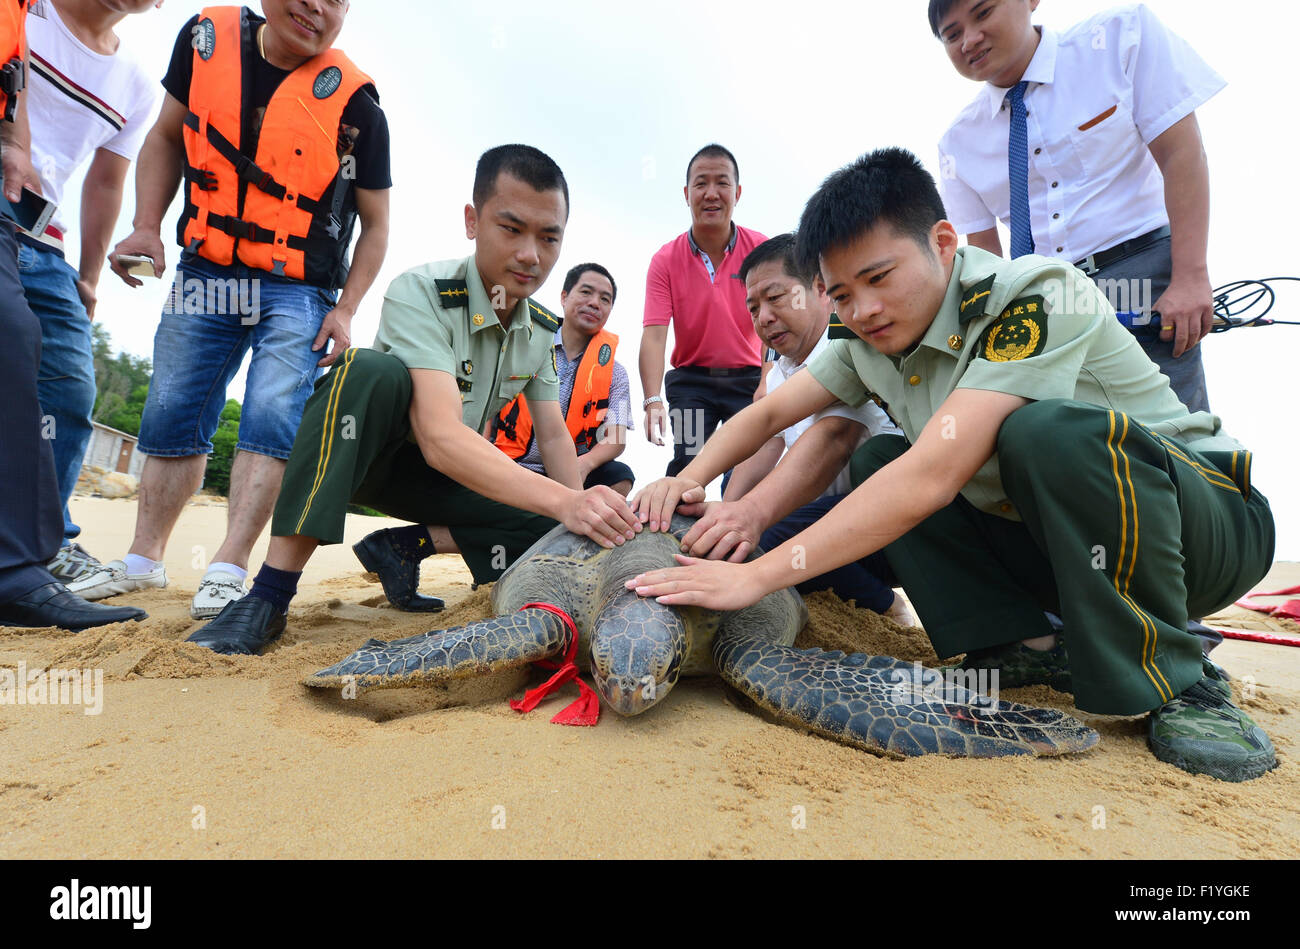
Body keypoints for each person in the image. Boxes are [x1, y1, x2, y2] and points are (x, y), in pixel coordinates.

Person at [627, 148, 1276, 783]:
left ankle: (1183, 676)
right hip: (1063, 551)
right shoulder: (867, 340)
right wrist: (684, 479)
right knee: (886, 452)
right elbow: (766, 415)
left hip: (1208, 525)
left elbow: (933, 476)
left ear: (942, 242)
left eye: (879, 278)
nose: (863, 309)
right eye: (844, 294)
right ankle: (1022, 649)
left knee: (1039, 432)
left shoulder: (1036, 293)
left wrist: (757, 576)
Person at [183, 145, 641, 653]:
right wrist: (567, 503)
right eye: (512, 229)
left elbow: (553, 434)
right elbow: (440, 438)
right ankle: (268, 596)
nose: (531, 254)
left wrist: (580, 510)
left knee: (554, 529)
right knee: (368, 370)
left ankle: (402, 554)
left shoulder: (538, 332)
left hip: (443, 476)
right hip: (370, 458)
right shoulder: (421, 292)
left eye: (549, 237)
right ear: (473, 221)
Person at [70, 0, 390, 621]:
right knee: (171, 405)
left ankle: (227, 566)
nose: (317, 7)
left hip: (299, 285)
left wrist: (347, 310)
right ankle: (142, 559)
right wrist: (145, 227)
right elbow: (166, 134)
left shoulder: (358, 107)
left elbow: (376, 225)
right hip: (207, 266)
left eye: (338, 0)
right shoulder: (203, 40)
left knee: (271, 412)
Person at [931, 0, 1223, 414]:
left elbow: (1182, 154)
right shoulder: (957, 143)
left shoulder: (1118, 39)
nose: (970, 40)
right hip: (1044, 303)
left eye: (982, 14)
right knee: (1077, 446)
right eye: (952, 34)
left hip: (1143, 277)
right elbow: (983, 256)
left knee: (1179, 436)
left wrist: (1191, 277)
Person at [673, 233, 913, 624]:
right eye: (753, 308)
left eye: (776, 297)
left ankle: (887, 607)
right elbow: (765, 436)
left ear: (819, 289)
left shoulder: (849, 345)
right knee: (734, 518)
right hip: (825, 513)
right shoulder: (783, 370)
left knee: (767, 541)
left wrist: (747, 515)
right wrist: (719, 510)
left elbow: (833, 438)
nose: (763, 317)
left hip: (888, 523)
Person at [0, 0, 145, 631]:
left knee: (68, 385)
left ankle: (45, 544)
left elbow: (107, 182)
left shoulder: (135, 86)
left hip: (47, 240)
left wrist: (88, 274)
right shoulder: (24, 16)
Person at [639, 143, 766, 476]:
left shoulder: (762, 251)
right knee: (688, 467)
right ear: (686, 193)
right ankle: (666, 524)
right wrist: (652, 400)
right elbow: (654, 336)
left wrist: (769, 379)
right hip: (692, 382)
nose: (712, 193)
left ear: (737, 192)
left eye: (722, 183)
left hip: (750, 381)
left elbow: (777, 324)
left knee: (745, 473)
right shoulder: (665, 260)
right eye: (701, 183)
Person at [489, 261, 636, 496]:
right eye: (586, 292)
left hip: (569, 471)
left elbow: (616, 438)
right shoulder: (523, 342)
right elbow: (488, 405)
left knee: (619, 476)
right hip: (509, 460)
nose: (594, 303)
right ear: (564, 297)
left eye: (605, 299)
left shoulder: (616, 374)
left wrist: (584, 464)